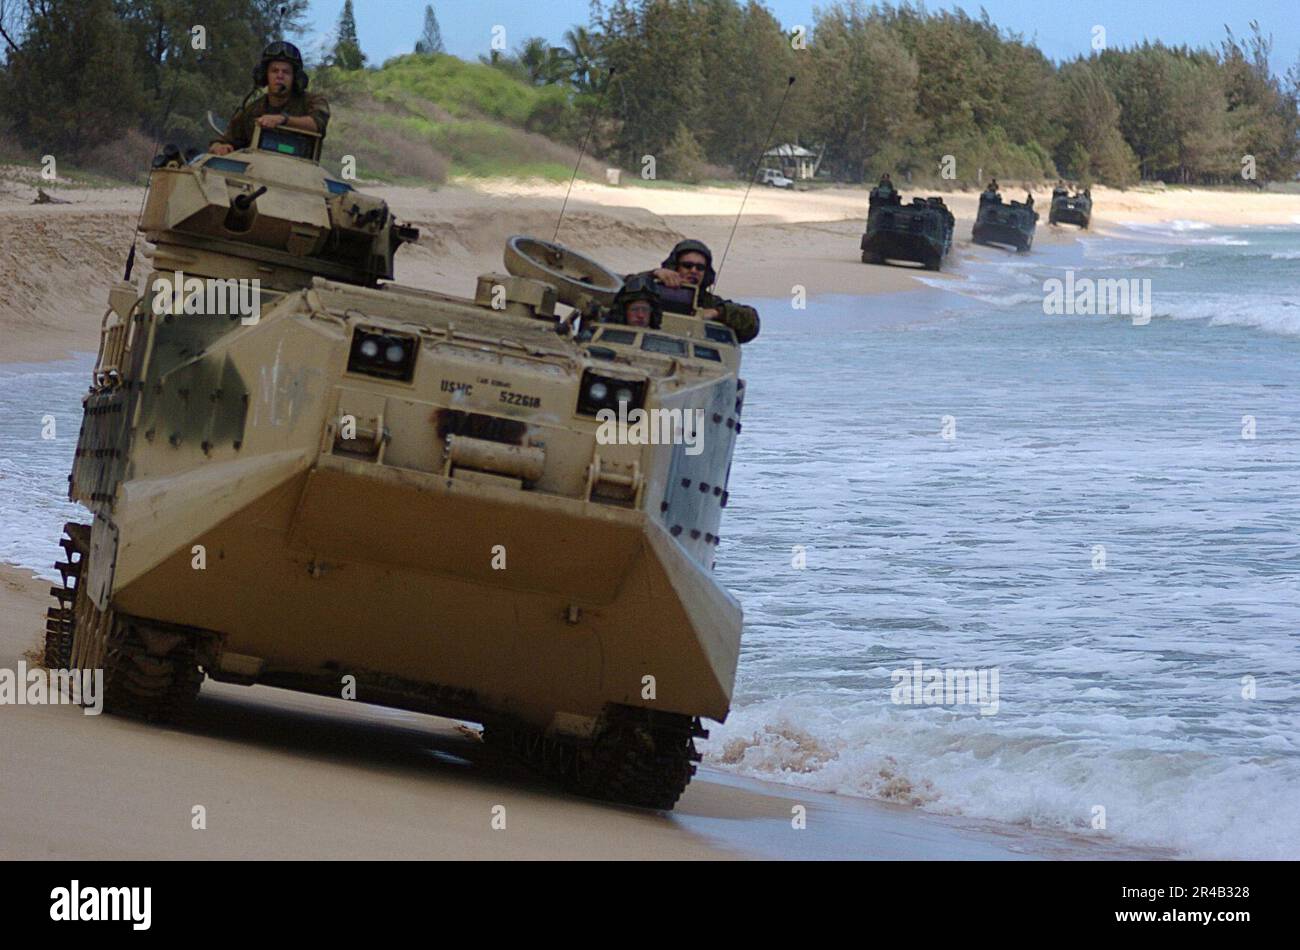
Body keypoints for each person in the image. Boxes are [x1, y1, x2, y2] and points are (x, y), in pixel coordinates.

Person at [210, 41, 330, 156]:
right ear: (264, 75)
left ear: (296, 78)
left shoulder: (312, 101)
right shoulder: (252, 111)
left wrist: (283, 120)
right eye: (274, 71)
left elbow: (318, 124)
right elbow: (225, 139)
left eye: (286, 72)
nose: (280, 76)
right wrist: (219, 146)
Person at [642, 239, 760, 343]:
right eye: (687, 265)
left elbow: (751, 322)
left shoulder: (708, 302)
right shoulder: (651, 290)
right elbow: (625, 284)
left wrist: (718, 312)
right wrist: (652, 274)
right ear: (675, 266)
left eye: (700, 267)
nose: (694, 271)